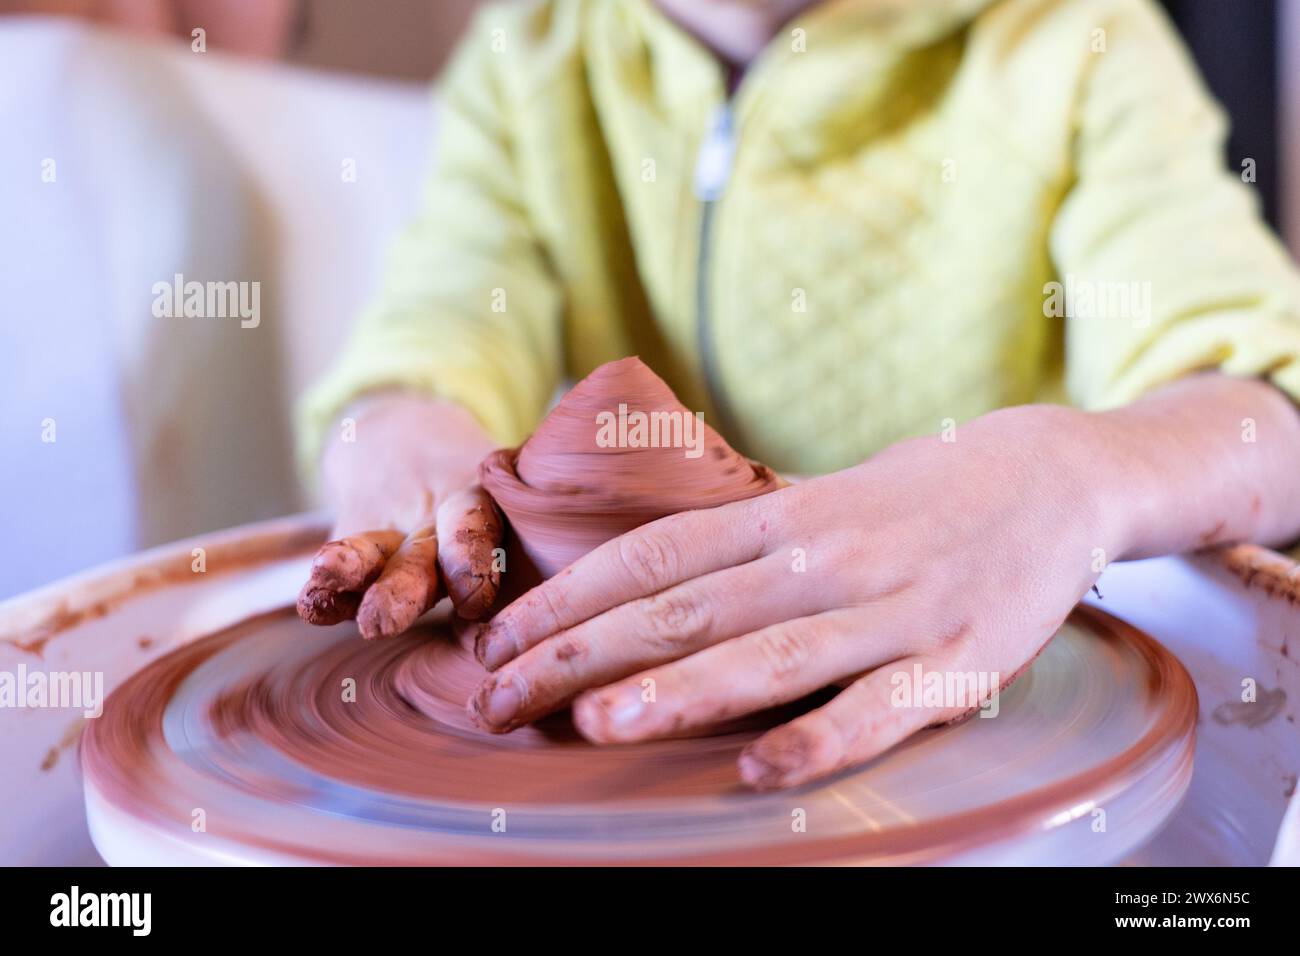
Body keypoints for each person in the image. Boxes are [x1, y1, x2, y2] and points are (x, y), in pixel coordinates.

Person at [297, 0, 1300, 790]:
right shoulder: (531, 60)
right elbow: (433, 332)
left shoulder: (1075, 44)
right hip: (658, 768)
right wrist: (401, 431)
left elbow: (1264, 409)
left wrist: (1068, 475)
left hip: (980, 729)